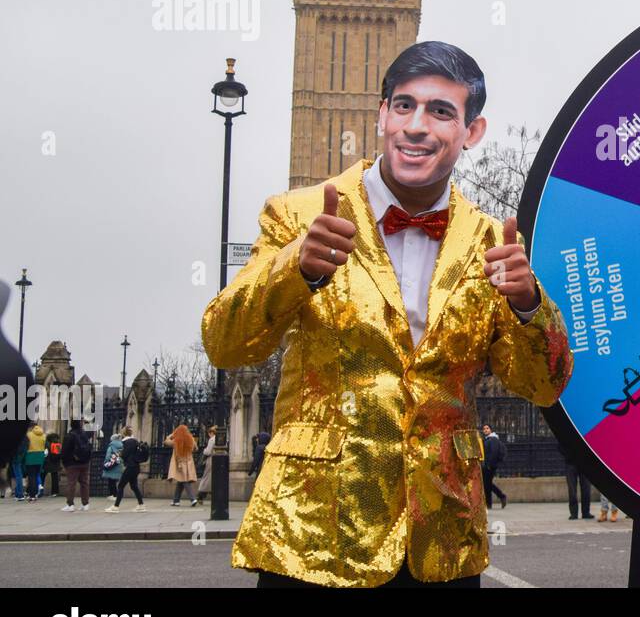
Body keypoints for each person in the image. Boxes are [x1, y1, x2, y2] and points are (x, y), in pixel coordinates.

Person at [202, 41, 573, 588]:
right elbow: (225, 343)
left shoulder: (495, 240)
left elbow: (544, 386)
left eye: (441, 111)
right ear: (381, 114)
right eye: (404, 106)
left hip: (441, 541)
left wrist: (527, 305)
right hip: (312, 534)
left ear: (472, 132)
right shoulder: (297, 214)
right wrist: (294, 271)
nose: (417, 126)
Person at [106, 426, 147, 512]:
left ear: (124, 433)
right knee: (134, 486)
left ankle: (116, 506)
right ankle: (141, 505)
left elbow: (124, 455)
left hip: (130, 467)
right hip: (136, 467)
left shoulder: (126, 443)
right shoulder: (135, 441)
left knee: (121, 486)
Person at [59, 420, 92, 512]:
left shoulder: (70, 436)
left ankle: (70, 504)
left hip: (72, 463)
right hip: (84, 463)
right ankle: (85, 504)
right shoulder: (85, 435)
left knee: (71, 483)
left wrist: (65, 462)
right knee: (84, 483)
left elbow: (65, 451)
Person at [165, 424, 200, 506]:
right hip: (188, 463)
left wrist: (171, 435)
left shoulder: (176, 441)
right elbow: (196, 448)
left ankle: (193, 499)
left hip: (180, 463)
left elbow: (166, 442)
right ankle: (176, 500)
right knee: (180, 481)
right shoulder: (191, 439)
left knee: (184, 480)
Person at [559, 439, 592, 520]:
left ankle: (586, 512)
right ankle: (574, 513)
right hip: (571, 463)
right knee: (572, 490)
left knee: (586, 489)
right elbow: (560, 445)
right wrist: (568, 455)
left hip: (584, 462)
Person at [481, 423, 507, 509]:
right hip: (486, 465)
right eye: (484, 429)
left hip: (490, 466)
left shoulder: (493, 440)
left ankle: (498, 498)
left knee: (487, 484)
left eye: (487, 428)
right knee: (487, 484)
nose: (485, 430)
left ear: (491, 430)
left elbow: (493, 453)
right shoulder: (487, 439)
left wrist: (489, 465)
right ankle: (498, 498)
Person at [23, 423, 46, 500]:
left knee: (31, 476)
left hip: (30, 456)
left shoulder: (28, 435)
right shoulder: (43, 435)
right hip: (40, 457)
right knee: (36, 475)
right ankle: (35, 493)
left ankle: (32, 495)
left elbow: (25, 445)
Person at [102, 430, 125, 500]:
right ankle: (116, 494)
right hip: (119, 465)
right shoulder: (122, 446)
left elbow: (107, 456)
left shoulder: (111, 447)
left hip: (111, 466)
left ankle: (113, 495)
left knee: (111, 481)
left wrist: (106, 463)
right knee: (115, 481)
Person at [196, 425, 217, 502]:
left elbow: (208, 451)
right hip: (217, 459)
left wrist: (204, 450)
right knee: (213, 478)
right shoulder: (219, 438)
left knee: (206, 477)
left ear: (211, 433)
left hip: (211, 459)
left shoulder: (212, 439)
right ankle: (210, 494)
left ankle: (200, 495)